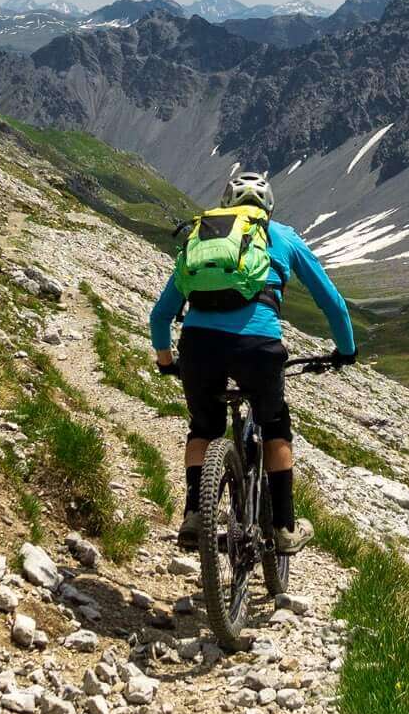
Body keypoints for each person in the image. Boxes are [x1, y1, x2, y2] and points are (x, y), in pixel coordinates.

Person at [150, 165, 356, 552]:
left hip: (198, 347)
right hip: (258, 349)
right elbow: (333, 304)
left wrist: (165, 360)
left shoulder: (202, 237)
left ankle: (195, 515)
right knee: (275, 426)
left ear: (226, 204)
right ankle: (283, 529)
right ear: (270, 208)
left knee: (203, 428)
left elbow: (161, 315)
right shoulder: (284, 238)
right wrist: (345, 351)